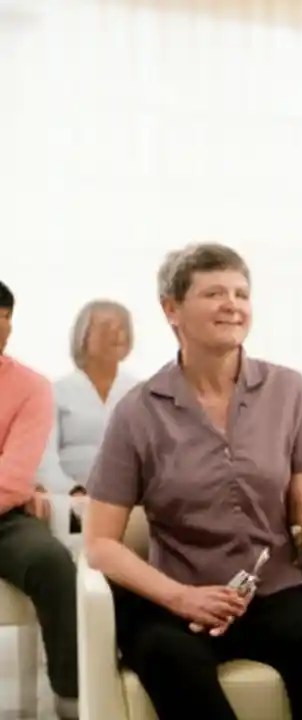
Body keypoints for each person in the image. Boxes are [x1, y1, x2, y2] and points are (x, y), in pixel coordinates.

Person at [82, 243, 302, 720]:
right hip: (174, 596)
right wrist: (181, 598)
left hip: (273, 590)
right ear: (172, 309)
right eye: (214, 293)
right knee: (170, 660)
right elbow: (101, 544)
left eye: (241, 293)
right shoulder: (138, 412)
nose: (233, 304)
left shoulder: (290, 391)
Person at [0, 280, 79, 720]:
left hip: (5, 517)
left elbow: (12, 477)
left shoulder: (32, 387)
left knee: (52, 563)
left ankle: (70, 698)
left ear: (8, 324)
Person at [37, 300, 138, 533]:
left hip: (129, 498)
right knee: (79, 535)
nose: (117, 333)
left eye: (122, 326)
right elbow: (45, 458)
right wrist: (72, 489)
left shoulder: (140, 393)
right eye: (106, 326)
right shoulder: (55, 392)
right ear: (83, 336)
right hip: (73, 497)